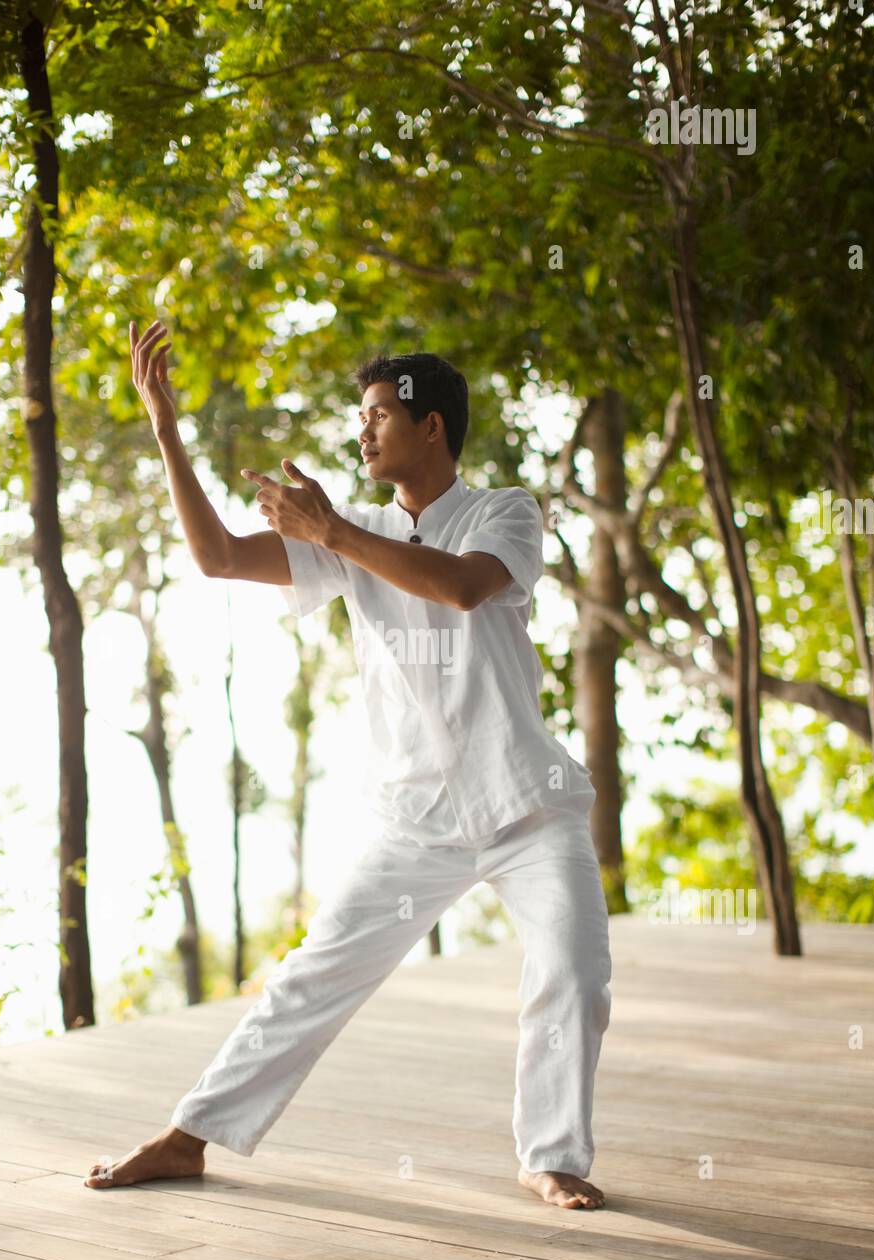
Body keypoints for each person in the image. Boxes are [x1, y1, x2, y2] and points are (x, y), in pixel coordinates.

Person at [85, 320, 612, 1211]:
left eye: (375, 415)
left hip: (527, 806)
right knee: (312, 976)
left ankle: (551, 1156)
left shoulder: (506, 512)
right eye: (358, 418)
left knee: (574, 969)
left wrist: (329, 530)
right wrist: (165, 427)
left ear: (431, 425)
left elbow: (460, 586)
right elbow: (216, 558)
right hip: (415, 823)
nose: (361, 432)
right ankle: (190, 1136)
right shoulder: (351, 530)